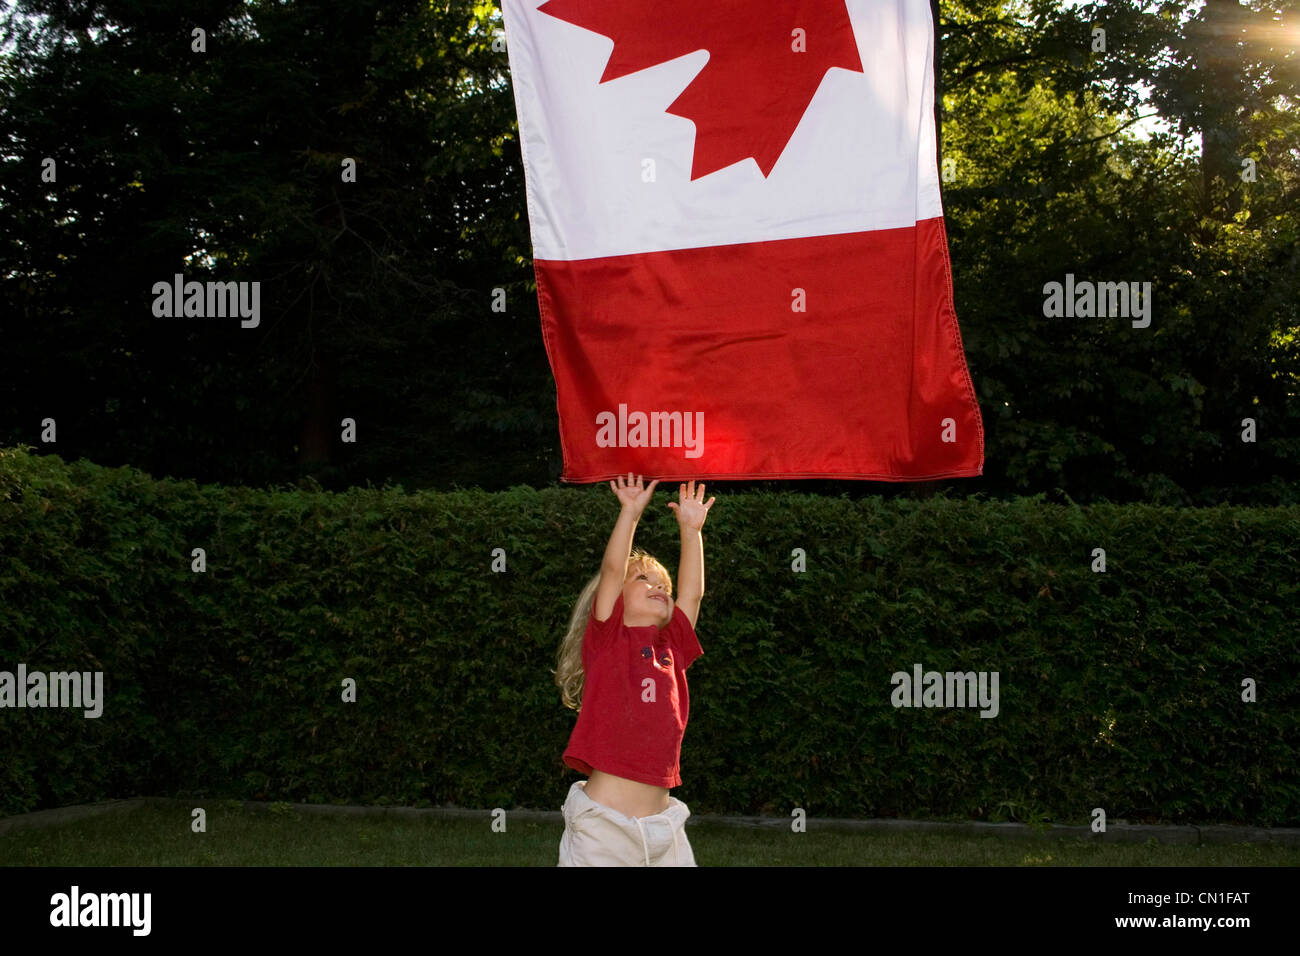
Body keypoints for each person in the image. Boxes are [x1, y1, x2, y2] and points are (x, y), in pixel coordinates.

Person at [554, 473, 715, 866]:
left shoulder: (672, 648)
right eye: (643, 578)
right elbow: (612, 571)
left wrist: (691, 530)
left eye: (664, 583)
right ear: (616, 599)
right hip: (603, 829)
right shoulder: (609, 638)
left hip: (664, 829)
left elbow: (692, 593)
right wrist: (630, 512)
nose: (659, 586)